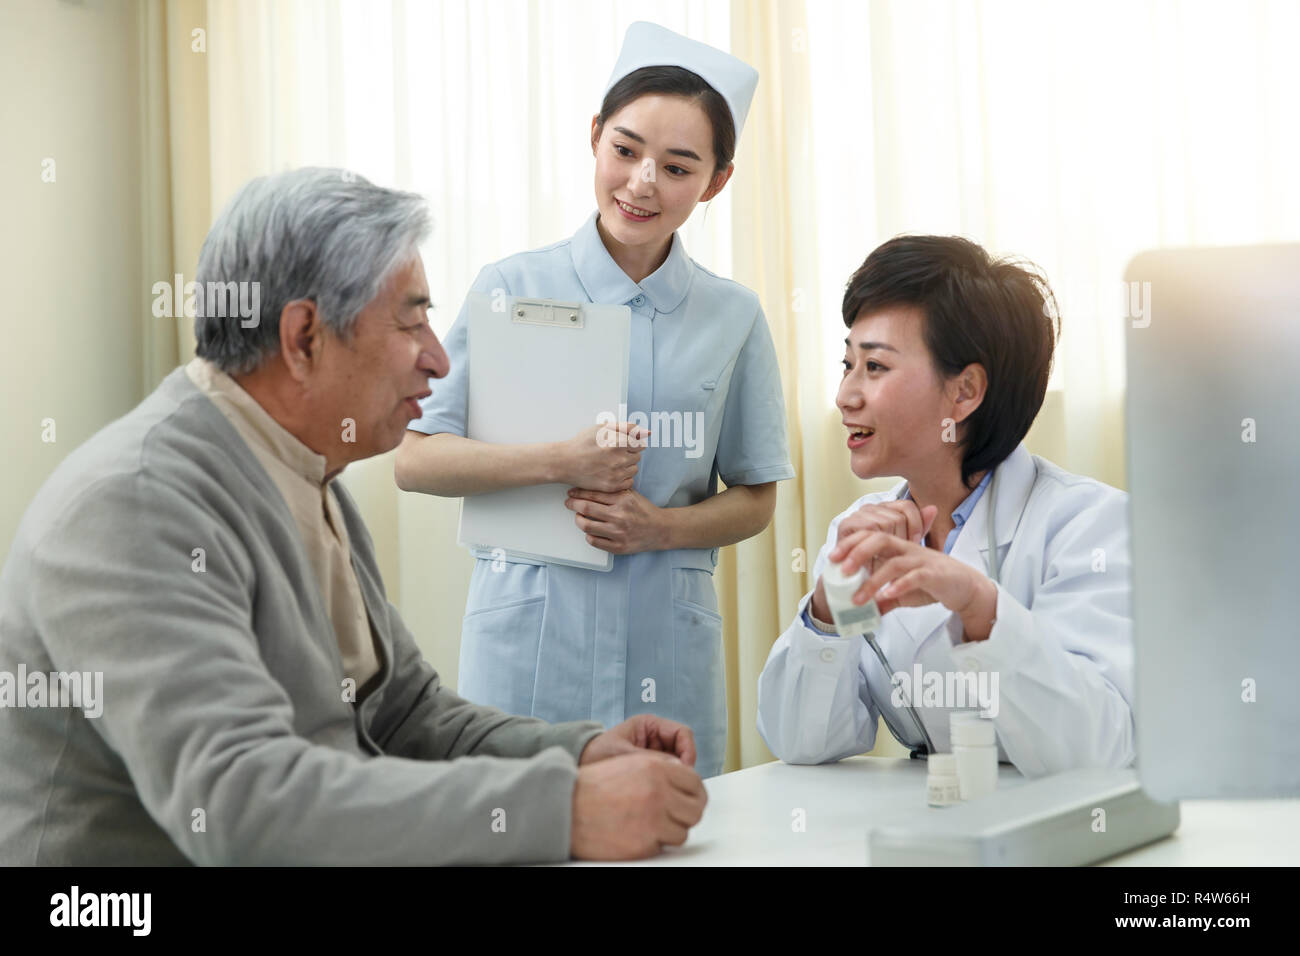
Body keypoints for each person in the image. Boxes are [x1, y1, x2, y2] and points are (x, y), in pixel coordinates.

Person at [0, 167, 707, 865]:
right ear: (304, 336)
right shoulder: (134, 505)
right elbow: (239, 806)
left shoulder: (305, 470)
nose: (437, 360)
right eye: (412, 319)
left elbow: (405, 714)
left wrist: (577, 752)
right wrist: (562, 809)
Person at [396, 22, 794, 778]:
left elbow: (756, 497)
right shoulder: (511, 286)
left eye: (678, 166)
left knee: (672, 833)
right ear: (594, 139)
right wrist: (560, 459)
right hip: (530, 637)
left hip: (665, 638)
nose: (644, 181)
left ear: (716, 181)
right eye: (626, 150)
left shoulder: (732, 316)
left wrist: (661, 527)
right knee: (519, 830)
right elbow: (416, 462)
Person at [756, 236, 1135, 777]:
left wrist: (982, 611)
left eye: (876, 367)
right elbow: (805, 741)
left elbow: (1100, 750)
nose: (845, 395)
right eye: (847, 365)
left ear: (964, 393)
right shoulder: (860, 534)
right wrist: (826, 609)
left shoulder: (1088, 526)